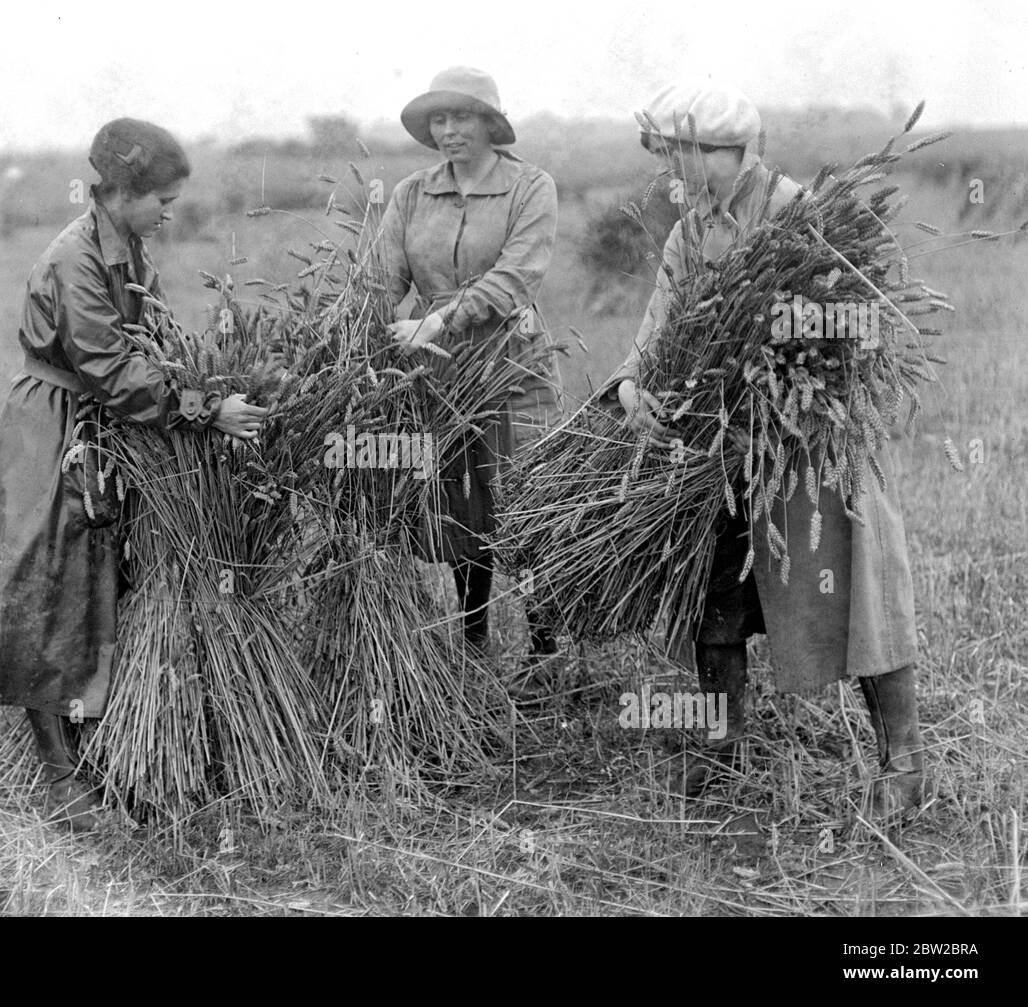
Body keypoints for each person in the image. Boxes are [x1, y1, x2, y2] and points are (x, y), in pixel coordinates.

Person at [594, 83, 928, 819]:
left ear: (731, 152)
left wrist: (785, 370)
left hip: (808, 446)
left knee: (852, 594)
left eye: (684, 153)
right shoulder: (689, 230)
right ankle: (722, 745)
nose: (674, 168)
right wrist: (628, 384)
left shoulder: (798, 214)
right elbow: (658, 321)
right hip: (721, 444)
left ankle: (904, 759)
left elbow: (852, 317)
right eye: (671, 153)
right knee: (716, 589)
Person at [0, 118, 267, 830]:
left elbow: (152, 338)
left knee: (99, 578)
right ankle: (58, 775)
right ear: (124, 192)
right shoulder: (75, 259)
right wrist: (204, 409)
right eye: (162, 200)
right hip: (56, 427)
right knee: (49, 584)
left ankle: (92, 737)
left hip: (97, 427)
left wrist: (205, 368)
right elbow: (111, 372)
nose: (170, 213)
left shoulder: (129, 247)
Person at [379, 66, 563, 659]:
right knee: (463, 502)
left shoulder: (531, 188)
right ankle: (474, 637)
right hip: (439, 372)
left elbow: (515, 276)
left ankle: (543, 644)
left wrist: (439, 318)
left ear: (490, 123)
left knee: (522, 497)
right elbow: (380, 282)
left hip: (512, 365)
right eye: (438, 118)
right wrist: (355, 338)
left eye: (460, 116)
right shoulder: (411, 194)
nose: (448, 129)